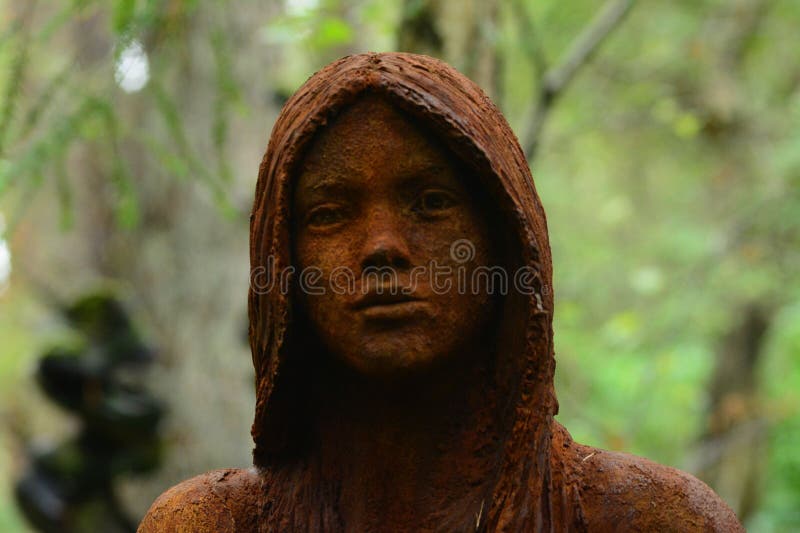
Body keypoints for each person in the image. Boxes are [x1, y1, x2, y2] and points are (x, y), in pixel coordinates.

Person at [138, 52, 743, 532]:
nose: (382, 246)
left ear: (504, 238)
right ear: (283, 259)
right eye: (330, 213)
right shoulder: (207, 524)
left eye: (431, 203)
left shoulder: (651, 519)